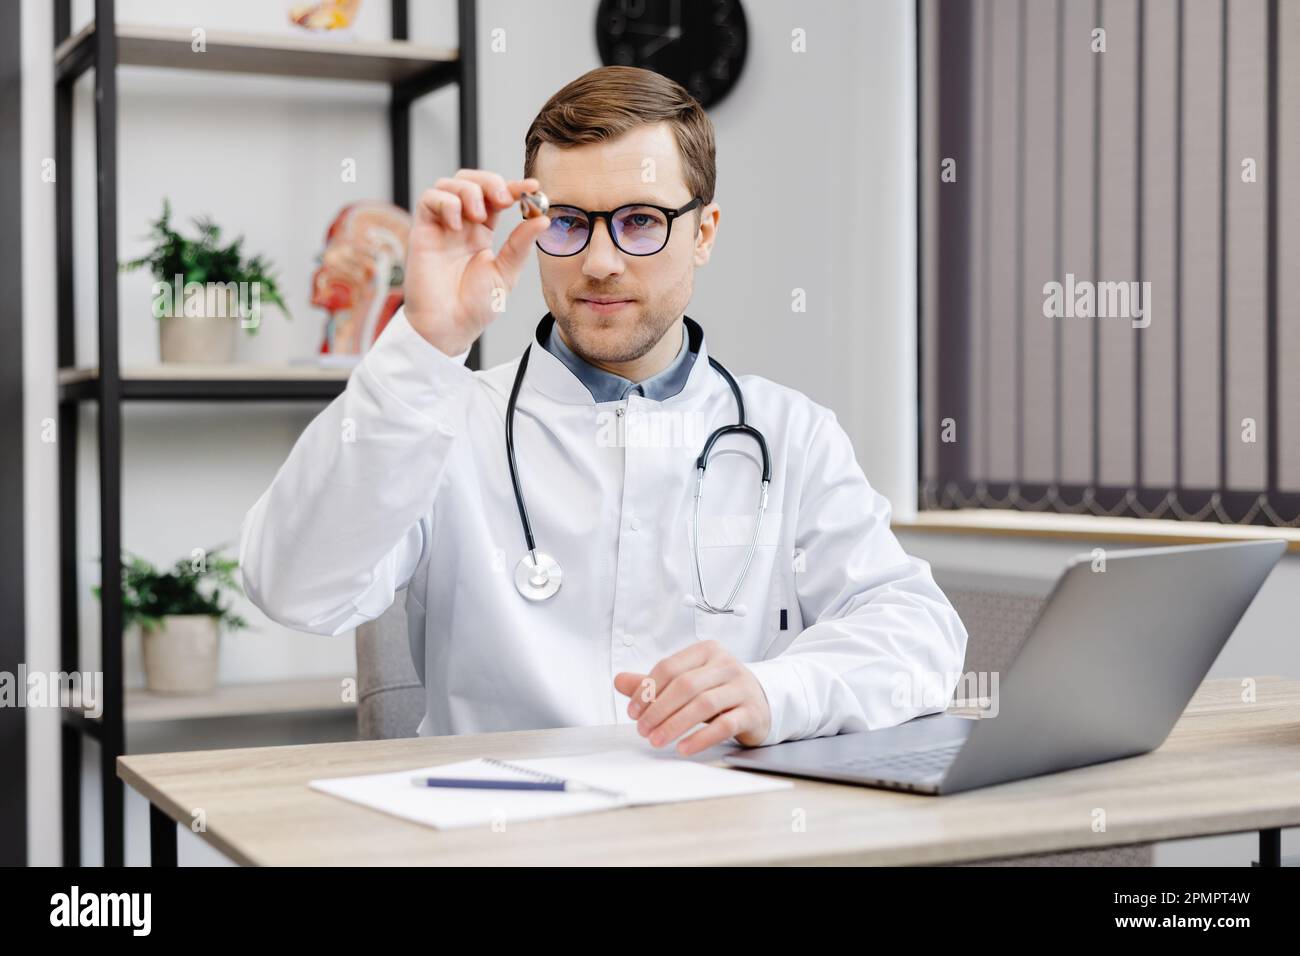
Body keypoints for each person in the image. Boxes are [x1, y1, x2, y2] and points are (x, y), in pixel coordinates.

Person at [239, 66, 968, 756]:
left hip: (721, 832)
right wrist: (425, 344)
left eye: (641, 221)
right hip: (497, 835)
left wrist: (776, 690)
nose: (599, 261)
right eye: (566, 221)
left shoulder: (792, 435)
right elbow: (293, 589)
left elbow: (919, 635)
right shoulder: (443, 418)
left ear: (704, 232)